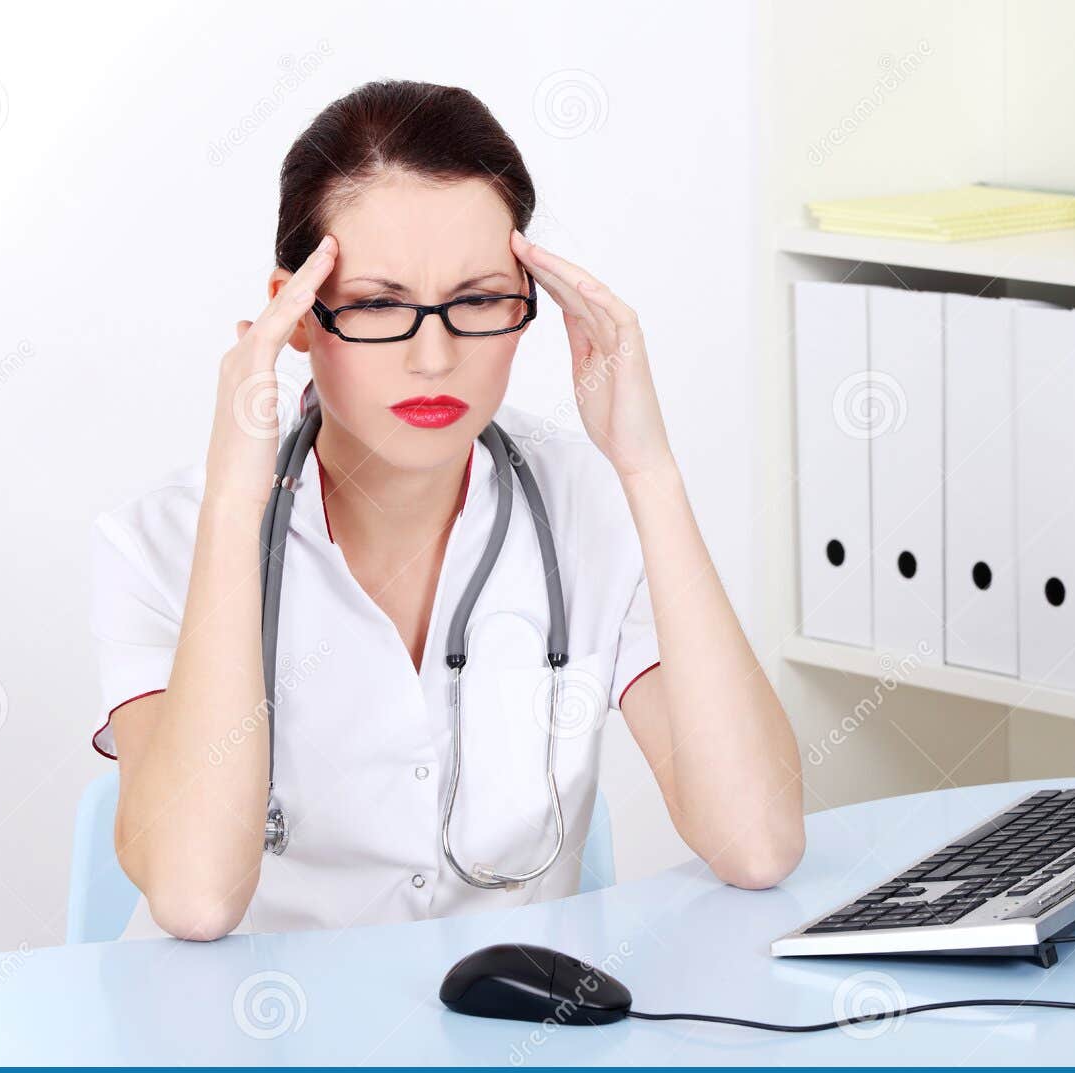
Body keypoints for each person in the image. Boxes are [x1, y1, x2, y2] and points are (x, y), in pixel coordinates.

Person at [88, 79, 804, 941]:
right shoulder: (156, 543)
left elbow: (757, 842)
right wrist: (238, 502)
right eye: (380, 304)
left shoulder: (590, 504)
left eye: (476, 300)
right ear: (298, 318)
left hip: (503, 1059)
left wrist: (646, 466)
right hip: (245, 1061)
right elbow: (196, 901)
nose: (436, 355)